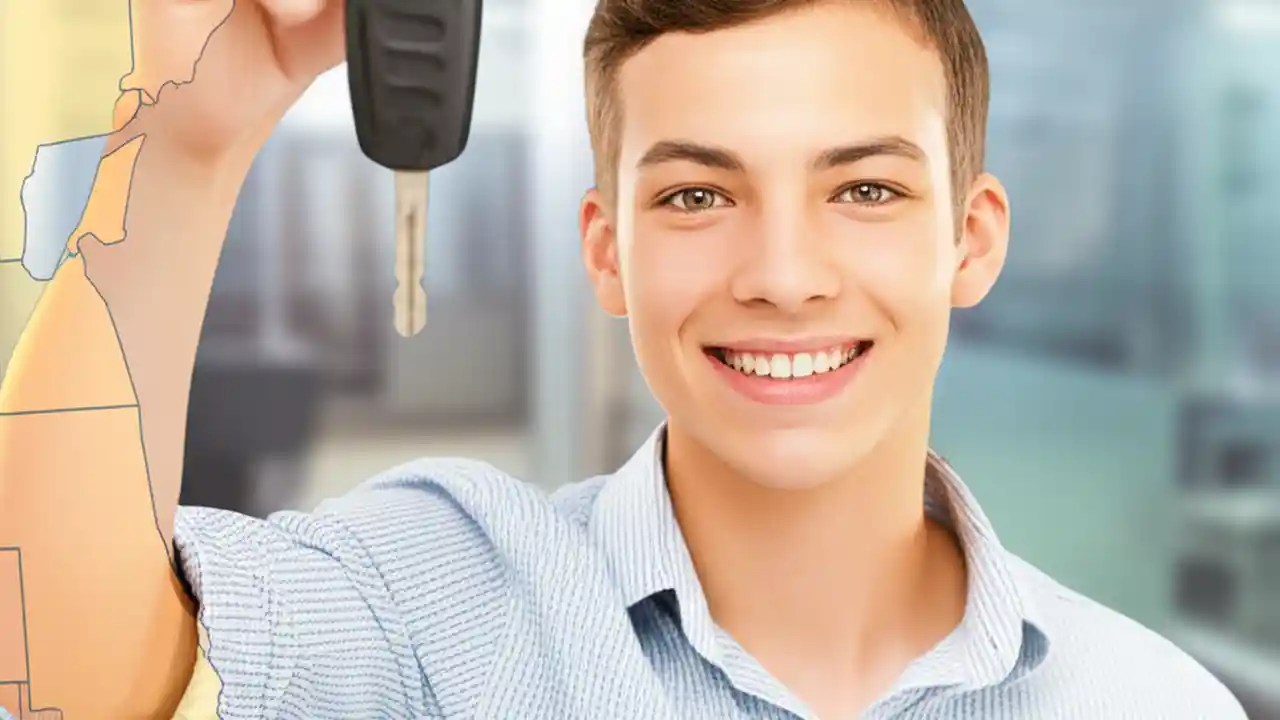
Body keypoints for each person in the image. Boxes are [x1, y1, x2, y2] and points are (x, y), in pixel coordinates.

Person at [0, 0, 1249, 718]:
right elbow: (61, 675)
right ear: (605, 251)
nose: (781, 272)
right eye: (698, 198)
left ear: (968, 241)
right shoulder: (442, 597)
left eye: (861, 188)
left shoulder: (1148, 703)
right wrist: (185, 139)